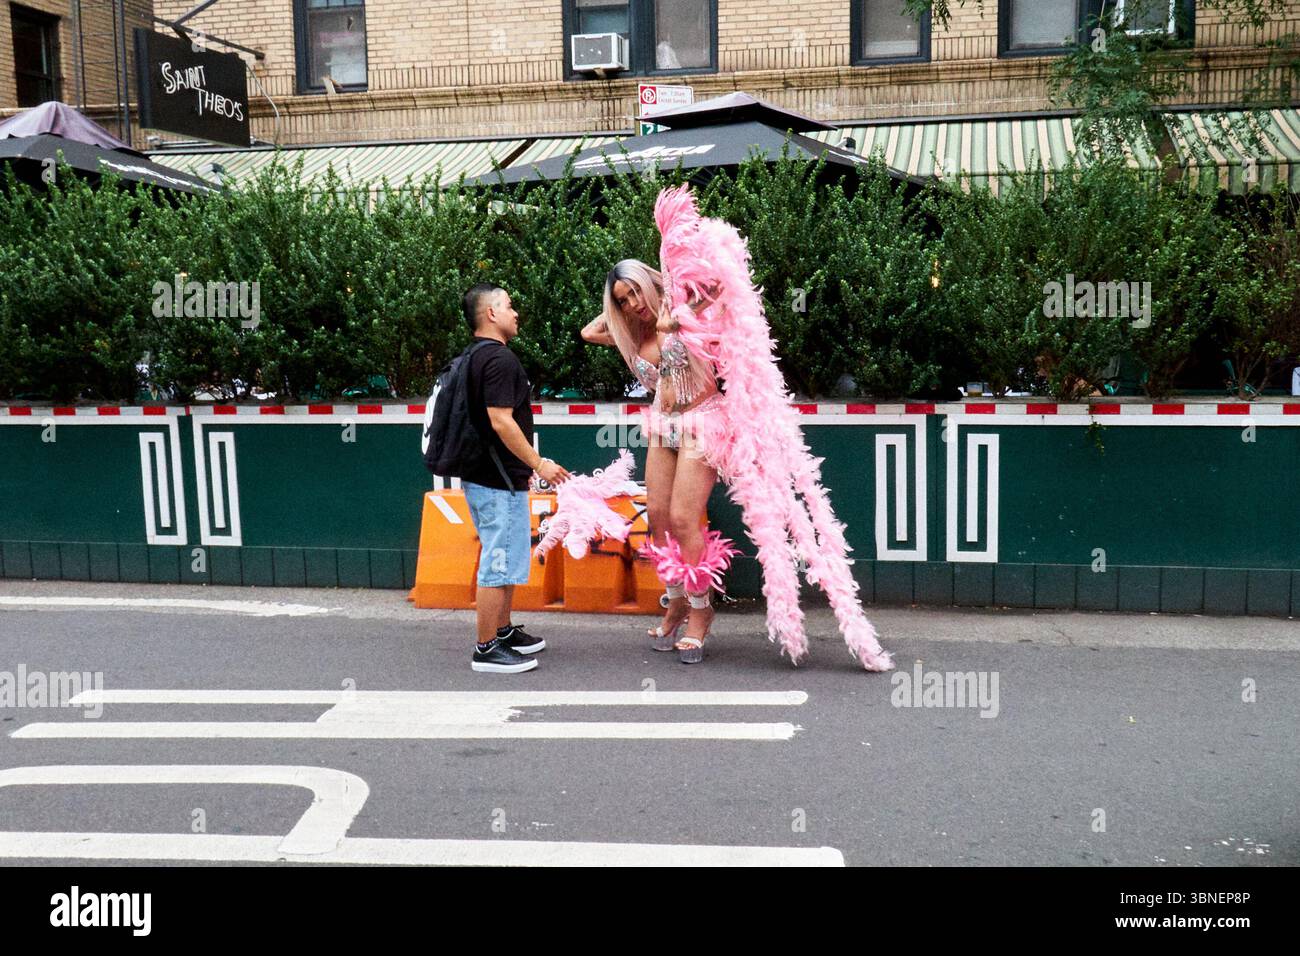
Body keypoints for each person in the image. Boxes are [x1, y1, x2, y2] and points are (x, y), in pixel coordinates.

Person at [581, 260, 726, 663]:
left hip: (701, 422)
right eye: (622, 300)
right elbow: (590, 331)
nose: (631, 304)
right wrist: (620, 298)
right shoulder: (631, 332)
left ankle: (701, 611)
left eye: (634, 292)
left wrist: (668, 291)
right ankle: (677, 600)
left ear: (648, 283)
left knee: (683, 518)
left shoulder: (685, 308)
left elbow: (720, 284)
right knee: (657, 518)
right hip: (663, 427)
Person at [462, 283, 571, 674]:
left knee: (505, 557)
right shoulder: (500, 360)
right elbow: (501, 420)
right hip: (496, 479)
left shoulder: (474, 356)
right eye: (509, 306)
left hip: (485, 476)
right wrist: (538, 464)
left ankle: (503, 631)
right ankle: (487, 648)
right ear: (491, 313)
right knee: (498, 560)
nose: (515, 313)